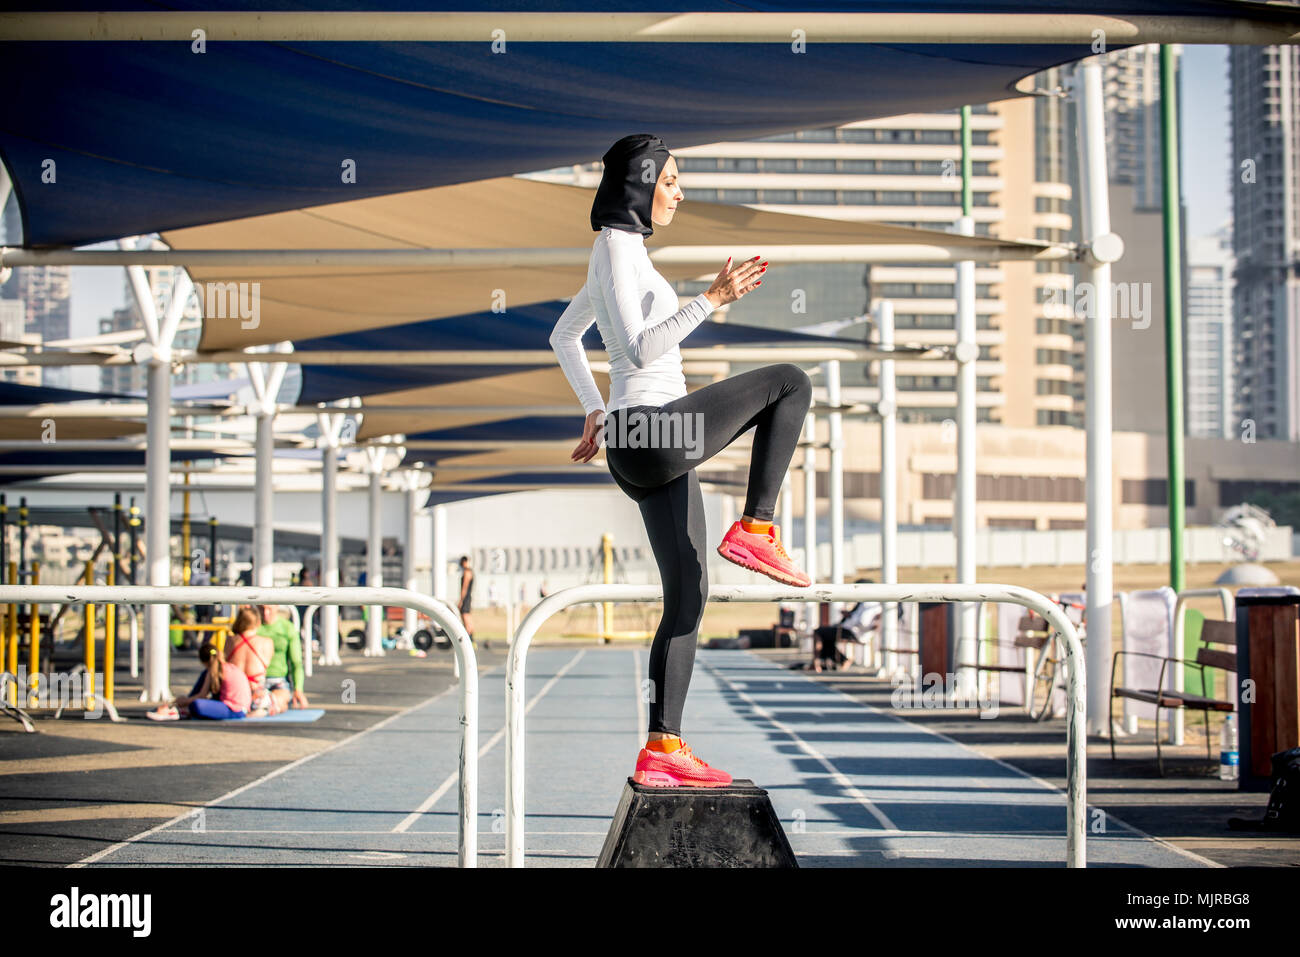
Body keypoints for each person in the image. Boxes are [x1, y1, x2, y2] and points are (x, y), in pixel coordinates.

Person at [549, 133, 814, 789]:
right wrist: (711, 300)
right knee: (790, 381)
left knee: (688, 595)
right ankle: (756, 526)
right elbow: (639, 352)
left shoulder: (619, 254)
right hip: (654, 430)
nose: (680, 191)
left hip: (640, 443)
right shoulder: (615, 249)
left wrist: (594, 407)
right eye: (671, 180)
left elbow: (562, 336)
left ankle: (663, 745)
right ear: (640, 181)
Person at [146, 636, 261, 721]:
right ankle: (182, 708)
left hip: (235, 710)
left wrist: (185, 701)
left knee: (197, 704)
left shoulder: (213, 670)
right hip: (240, 707)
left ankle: (179, 711)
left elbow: (202, 695)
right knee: (198, 701)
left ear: (204, 662)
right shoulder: (228, 667)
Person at [812, 578, 880, 673]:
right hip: (850, 630)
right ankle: (841, 660)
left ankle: (816, 663)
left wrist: (849, 616)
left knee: (819, 632)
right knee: (825, 635)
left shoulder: (870, 603)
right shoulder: (865, 602)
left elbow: (863, 622)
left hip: (854, 632)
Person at [226, 606, 277, 714]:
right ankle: (259, 712)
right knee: (281, 701)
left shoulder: (229, 641)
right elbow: (266, 663)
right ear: (258, 623)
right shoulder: (266, 642)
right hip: (256, 696)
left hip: (233, 695)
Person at [258, 603, 308, 713]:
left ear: (276, 607)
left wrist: (298, 689)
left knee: (279, 702)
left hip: (279, 680)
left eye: (269, 609)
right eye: (262, 609)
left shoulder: (287, 628)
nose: (265, 613)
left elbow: (296, 663)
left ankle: (268, 703)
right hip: (256, 681)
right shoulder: (253, 626)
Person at [457, 555, 475, 644]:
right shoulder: (470, 571)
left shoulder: (467, 572)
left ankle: (469, 640)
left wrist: (461, 600)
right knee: (467, 617)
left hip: (466, 598)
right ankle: (471, 639)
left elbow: (464, 587)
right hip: (468, 598)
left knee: (466, 618)